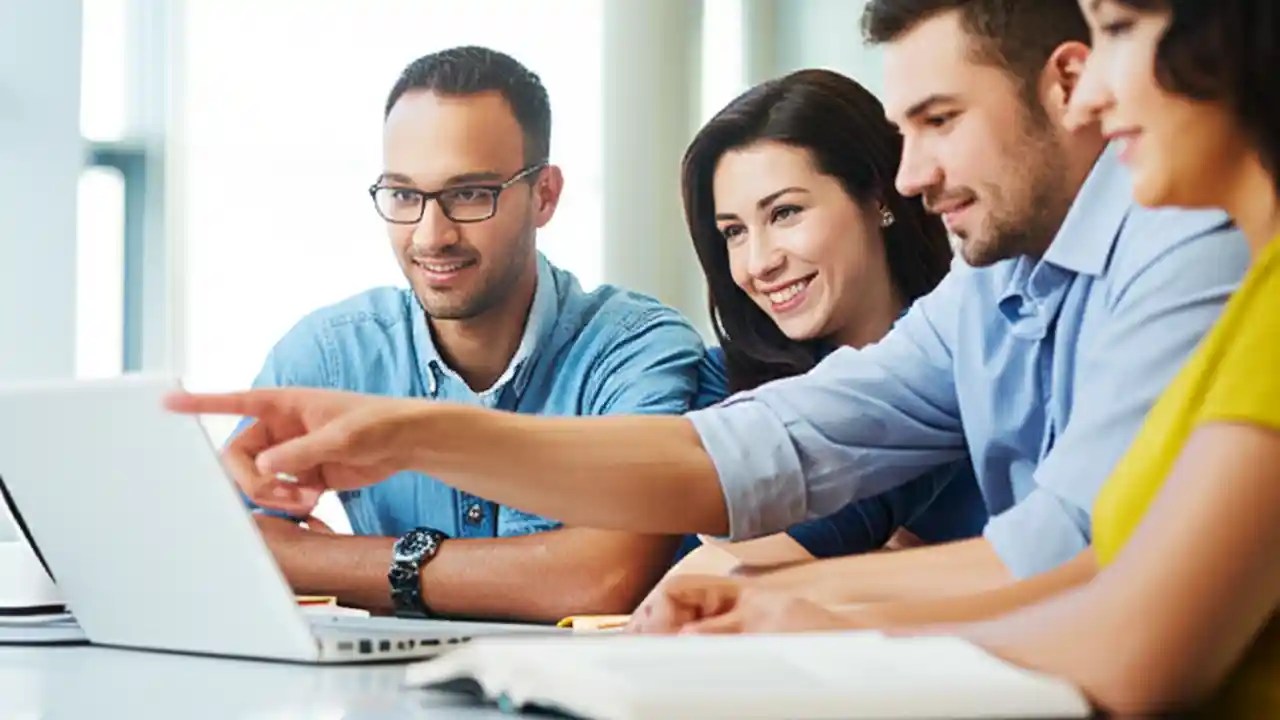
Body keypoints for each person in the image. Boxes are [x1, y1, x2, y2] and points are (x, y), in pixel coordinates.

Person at [167, 0, 1248, 616]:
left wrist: (797, 610)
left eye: (936, 121)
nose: (912, 174)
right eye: (732, 230)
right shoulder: (987, 289)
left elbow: (1074, 558)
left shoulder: (1189, 242)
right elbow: (751, 447)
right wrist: (413, 435)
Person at [652, 0, 1280, 713]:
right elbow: (1094, 577)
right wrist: (791, 606)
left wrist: (827, 623)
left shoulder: (1224, 284)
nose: (1096, 93)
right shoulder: (1249, 291)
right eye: (732, 230)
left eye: (1120, 30)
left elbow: (1129, 642)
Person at [225, 46, 704, 622]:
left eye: (469, 194)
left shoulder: (637, 351)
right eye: (404, 195)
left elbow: (600, 578)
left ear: (544, 196)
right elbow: (228, 550)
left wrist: (318, 558)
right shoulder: (331, 355)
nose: (432, 235)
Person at [674, 68, 986, 575]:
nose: (758, 263)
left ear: (878, 197)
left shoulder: (970, 358)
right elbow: (683, 575)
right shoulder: (716, 381)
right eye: (733, 232)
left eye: (785, 213)